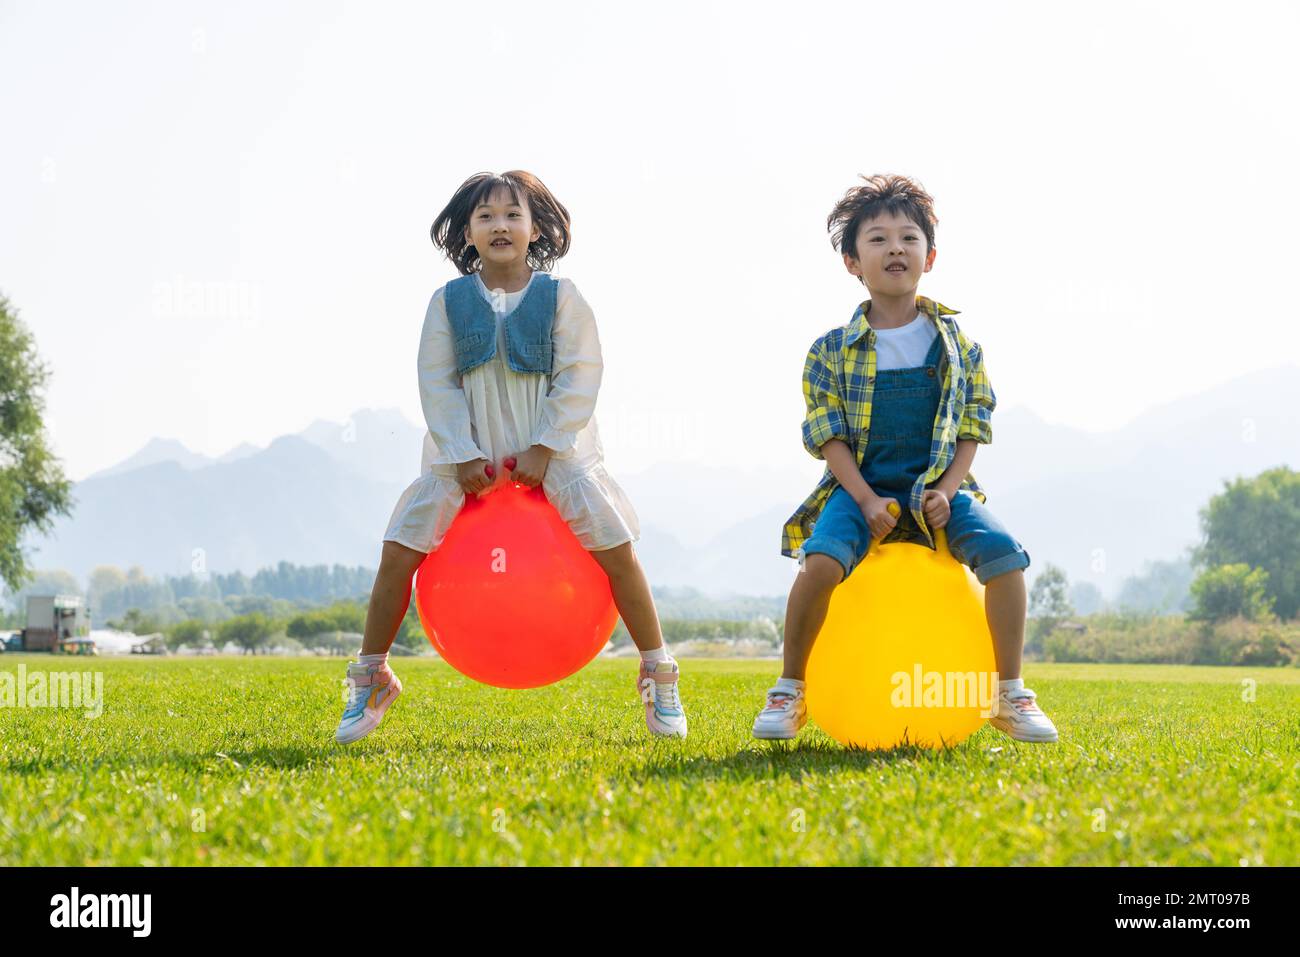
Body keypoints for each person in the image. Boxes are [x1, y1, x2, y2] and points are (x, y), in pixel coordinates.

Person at [335, 170, 686, 744]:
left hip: (556, 451)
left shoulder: (561, 297)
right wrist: (463, 454)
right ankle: (371, 674)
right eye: (486, 217)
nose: (500, 225)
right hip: (466, 455)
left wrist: (546, 447)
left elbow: (580, 373)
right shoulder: (447, 303)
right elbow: (437, 383)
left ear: (535, 227)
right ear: (467, 233)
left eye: (513, 215)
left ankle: (657, 669)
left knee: (615, 547)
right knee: (399, 550)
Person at [754, 173, 1058, 744]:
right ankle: (792, 687)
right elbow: (828, 436)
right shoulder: (829, 350)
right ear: (852, 262)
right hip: (860, 489)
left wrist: (947, 488)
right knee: (817, 566)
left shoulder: (958, 346)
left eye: (909, 237)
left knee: (1008, 560)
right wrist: (866, 500)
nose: (896, 247)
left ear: (930, 255)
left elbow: (973, 424)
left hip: (940, 488)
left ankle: (1008, 692)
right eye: (877, 238)